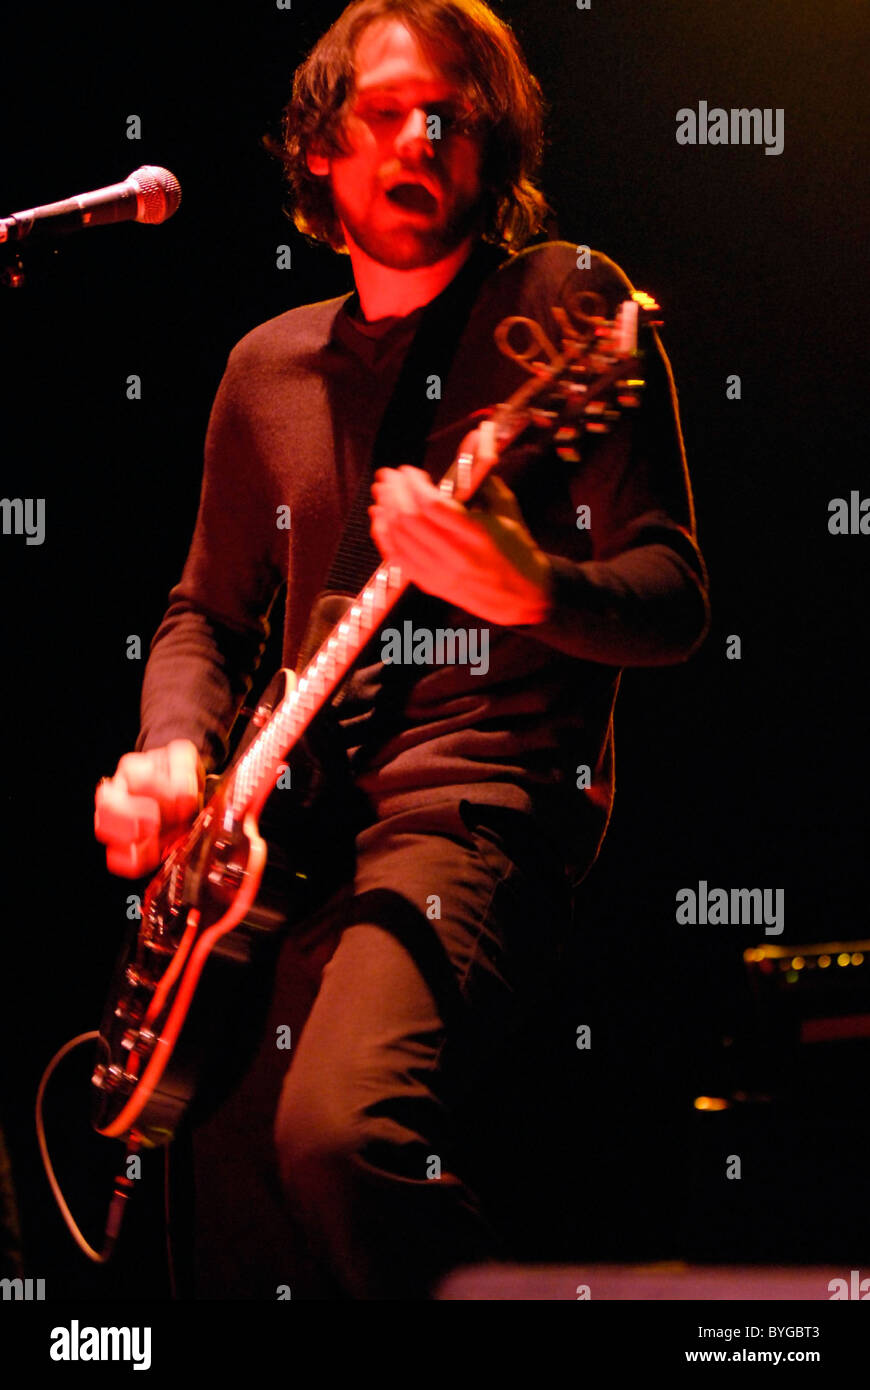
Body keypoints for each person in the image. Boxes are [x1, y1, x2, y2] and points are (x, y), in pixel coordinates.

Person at [94, 0, 710, 1299]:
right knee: (230, 1205)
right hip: (275, 845)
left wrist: (524, 580)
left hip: (472, 811)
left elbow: (671, 594)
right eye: (382, 113)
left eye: (452, 115)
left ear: (494, 151)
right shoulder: (266, 367)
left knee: (338, 1138)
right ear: (319, 147)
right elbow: (206, 611)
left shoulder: (561, 308)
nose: (416, 138)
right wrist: (170, 751)